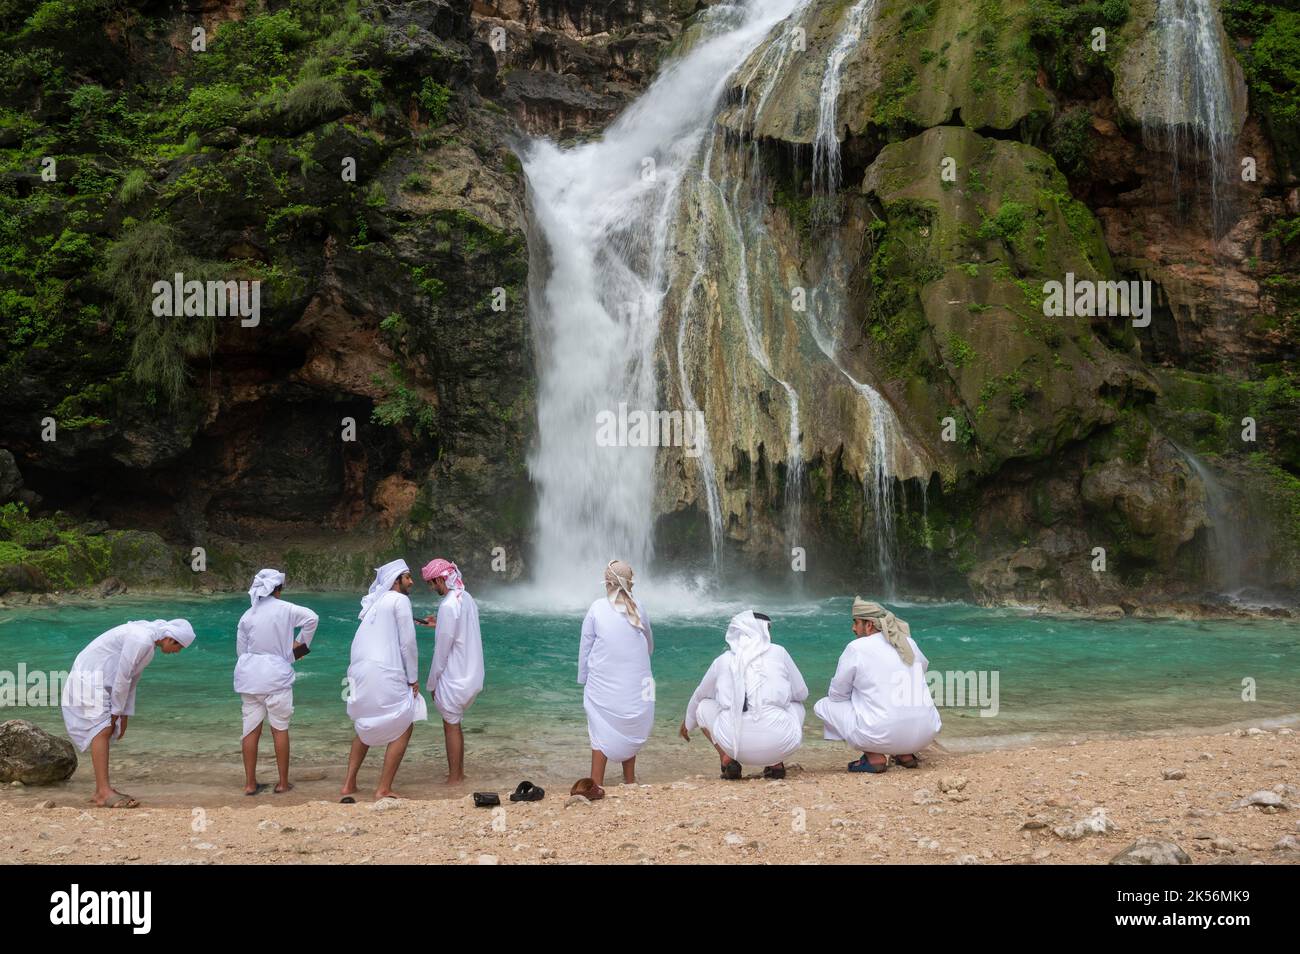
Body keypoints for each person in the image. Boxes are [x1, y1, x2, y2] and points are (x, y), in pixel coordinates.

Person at [60, 618, 197, 807]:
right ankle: (103, 792)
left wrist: (124, 714)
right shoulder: (141, 639)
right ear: (171, 639)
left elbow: (132, 680)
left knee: (105, 729)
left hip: (98, 679)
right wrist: (116, 712)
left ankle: (103, 789)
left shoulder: (148, 644)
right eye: (179, 647)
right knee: (102, 730)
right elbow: (123, 678)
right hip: (89, 677)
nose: (177, 652)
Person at [813, 597, 941, 773]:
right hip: (925, 734)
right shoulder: (908, 642)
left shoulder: (857, 648)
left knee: (825, 705)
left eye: (856, 623)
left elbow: (837, 694)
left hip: (882, 734)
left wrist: (858, 696)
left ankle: (874, 757)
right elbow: (922, 669)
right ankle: (905, 754)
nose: (853, 628)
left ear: (869, 625)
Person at [679, 610, 807, 780]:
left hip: (735, 746)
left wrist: (688, 724)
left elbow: (700, 695)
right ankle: (775, 763)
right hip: (781, 744)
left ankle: (727, 758)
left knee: (703, 707)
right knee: (797, 705)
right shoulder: (779, 652)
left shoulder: (723, 660)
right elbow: (802, 693)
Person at [340, 559, 427, 801]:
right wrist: (413, 679)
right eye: (407, 577)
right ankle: (384, 788)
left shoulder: (374, 605)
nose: (411, 581)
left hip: (356, 673)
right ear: (396, 581)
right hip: (383, 670)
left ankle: (348, 784)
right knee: (405, 722)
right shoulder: (400, 600)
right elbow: (407, 643)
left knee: (365, 724)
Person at [234, 568, 319, 795]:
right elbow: (312, 618)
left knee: (250, 730)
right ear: (278, 590)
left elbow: (241, 652)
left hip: (249, 677)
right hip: (276, 677)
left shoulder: (247, 615)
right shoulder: (287, 609)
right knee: (279, 729)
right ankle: (282, 783)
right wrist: (299, 647)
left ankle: (250, 784)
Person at [578, 559, 653, 795]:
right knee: (628, 723)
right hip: (637, 686)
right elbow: (648, 645)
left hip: (604, 685)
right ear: (630, 584)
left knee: (600, 729)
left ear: (607, 583)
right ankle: (629, 781)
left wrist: (583, 679)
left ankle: (596, 782)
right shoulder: (637, 607)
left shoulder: (597, 608)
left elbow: (585, 647)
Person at [420, 558, 484, 784]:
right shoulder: (466, 598)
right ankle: (459, 773)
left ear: (440, 579)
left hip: (454, 675)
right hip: (472, 674)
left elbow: (442, 651)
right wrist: (438, 623)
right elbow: (461, 629)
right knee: (455, 723)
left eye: (431, 583)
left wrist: (432, 683)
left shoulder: (448, 605)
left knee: (451, 725)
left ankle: (455, 777)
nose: (431, 588)